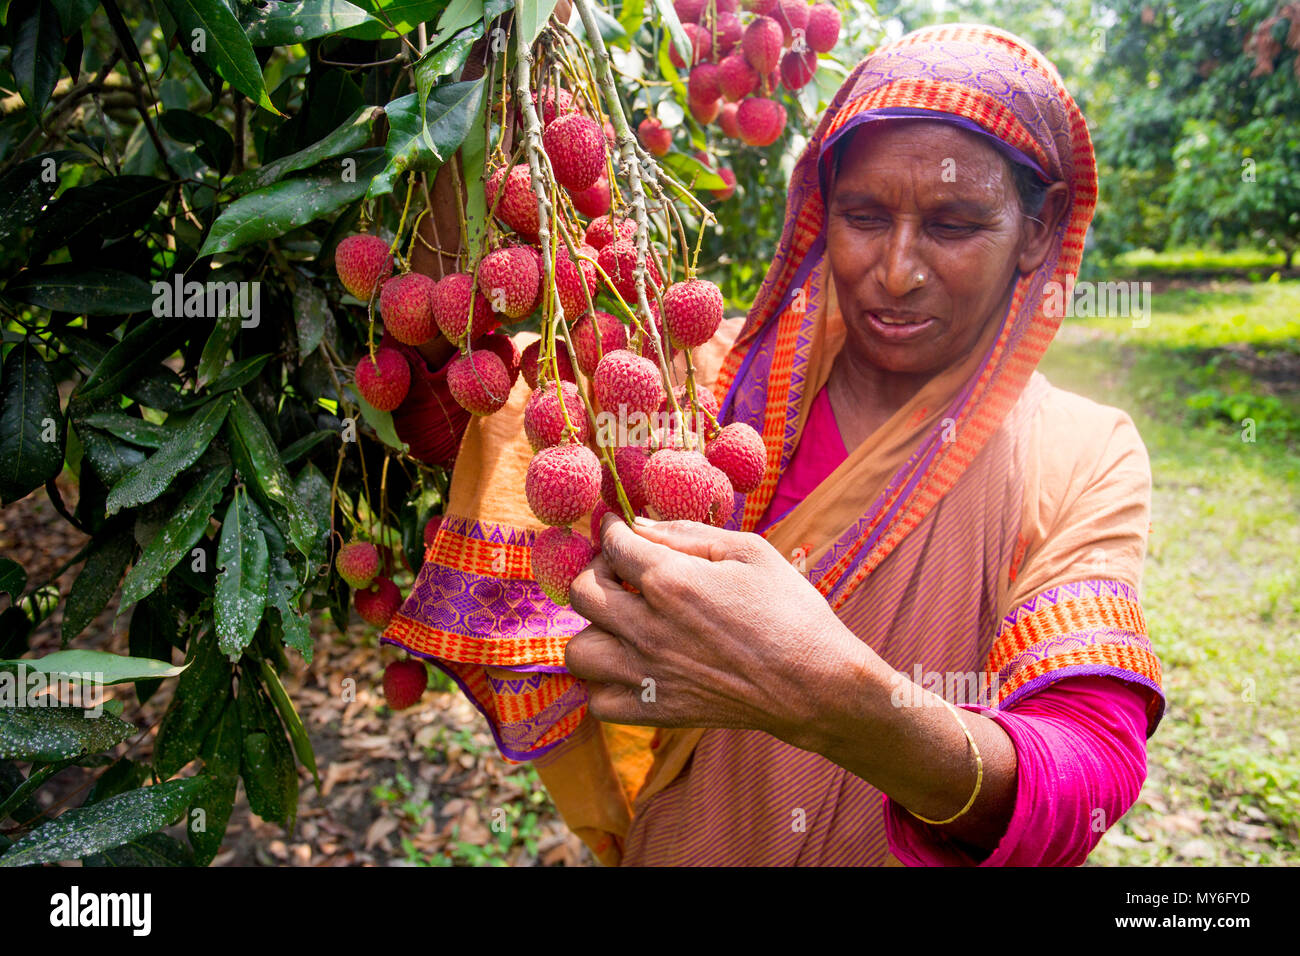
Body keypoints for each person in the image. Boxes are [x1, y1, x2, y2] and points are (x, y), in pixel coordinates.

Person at [379, 23, 1165, 866]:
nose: (897, 270)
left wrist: (830, 698)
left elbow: (1084, 776)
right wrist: (485, 62)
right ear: (825, 210)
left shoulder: (1082, 454)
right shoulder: (696, 390)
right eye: (864, 216)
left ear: (1040, 231)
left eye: (953, 224)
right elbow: (445, 369)